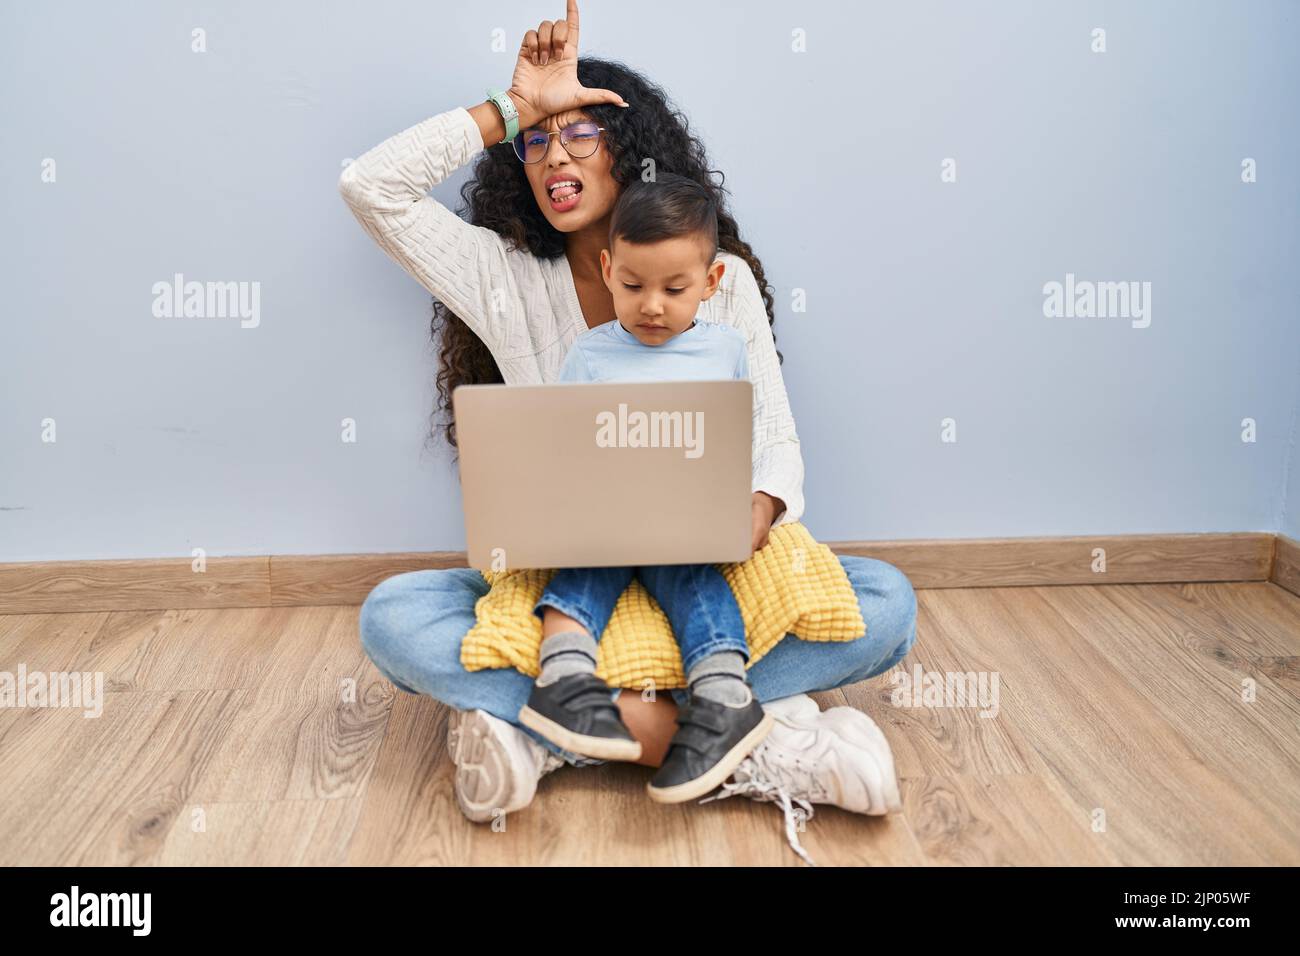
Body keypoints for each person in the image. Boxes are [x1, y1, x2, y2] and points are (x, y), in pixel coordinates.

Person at [340, 0, 916, 857]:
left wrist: (755, 511)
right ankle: (733, 739)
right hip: (576, 586)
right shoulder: (504, 279)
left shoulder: (720, 287)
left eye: (580, 134)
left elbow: (779, 442)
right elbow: (370, 187)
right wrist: (512, 107)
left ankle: (551, 738)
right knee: (394, 613)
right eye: (539, 142)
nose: (553, 155)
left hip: (705, 571)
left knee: (884, 604)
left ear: (631, 154)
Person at [518, 174, 776, 804]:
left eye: (675, 288)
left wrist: (749, 504)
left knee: (692, 576)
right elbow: (563, 443)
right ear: (608, 270)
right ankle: (566, 682)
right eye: (633, 286)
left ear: (711, 284)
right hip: (607, 517)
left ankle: (722, 697)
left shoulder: (726, 348)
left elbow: (744, 438)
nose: (652, 305)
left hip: (686, 520)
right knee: (586, 565)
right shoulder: (588, 354)